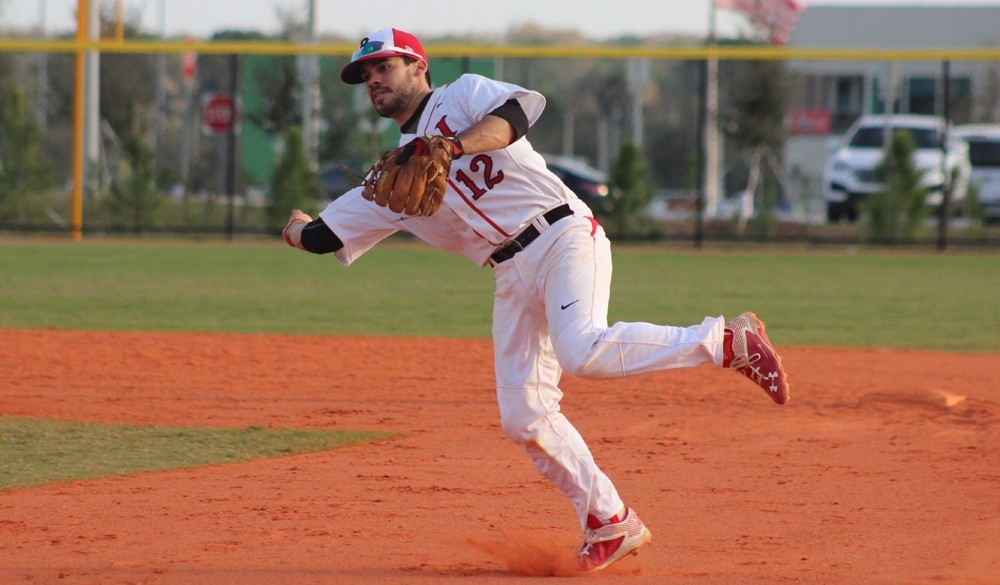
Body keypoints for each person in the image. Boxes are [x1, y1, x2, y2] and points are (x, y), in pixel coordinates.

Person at [282, 28, 790, 575]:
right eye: (364, 75)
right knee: (524, 415)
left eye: (384, 66)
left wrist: (449, 146)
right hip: (509, 272)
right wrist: (295, 228)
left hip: (560, 233)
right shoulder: (391, 177)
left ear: (418, 66)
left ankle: (725, 340)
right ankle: (610, 519)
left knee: (583, 351)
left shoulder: (463, 96)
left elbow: (521, 108)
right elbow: (321, 238)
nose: (373, 80)